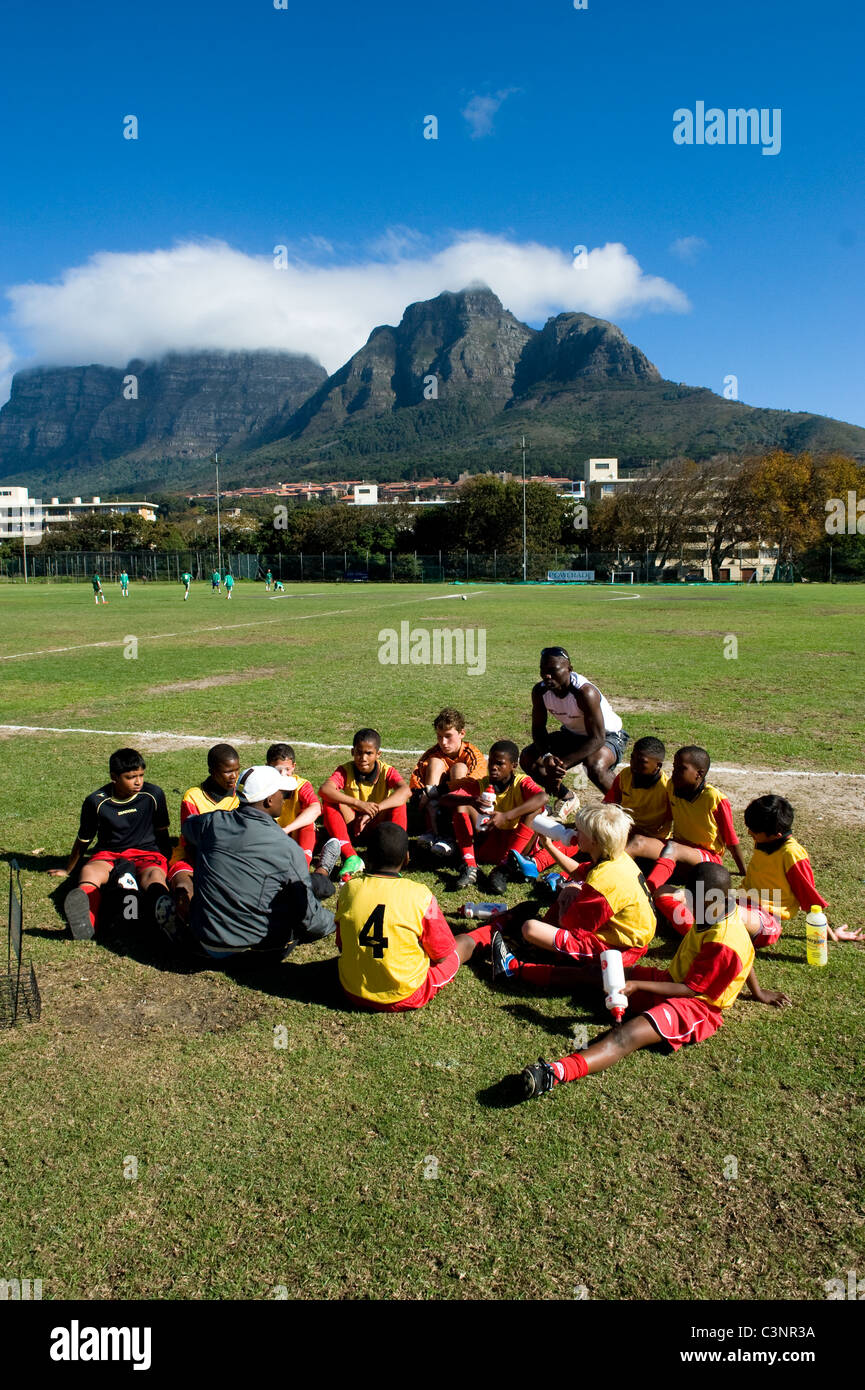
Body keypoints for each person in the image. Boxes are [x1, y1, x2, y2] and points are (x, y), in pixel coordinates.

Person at [511, 863, 791, 1100]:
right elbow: (748, 953)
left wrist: (638, 986)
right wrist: (758, 992)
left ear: (710, 898)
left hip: (696, 1006)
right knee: (597, 974)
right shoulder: (720, 909)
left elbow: (691, 989)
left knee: (627, 1035)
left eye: (691, 898)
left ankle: (555, 1073)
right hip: (671, 980)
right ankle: (516, 969)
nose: (686, 903)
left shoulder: (725, 940)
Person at [180, 765, 335, 963]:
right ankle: (323, 873)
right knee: (299, 895)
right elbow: (309, 918)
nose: (285, 799)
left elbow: (188, 826)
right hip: (256, 950)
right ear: (269, 800)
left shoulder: (212, 823)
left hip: (205, 940)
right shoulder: (286, 847)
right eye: (283, 794)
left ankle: (321, 875)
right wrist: (337, 922)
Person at [490, 804, 656, 986]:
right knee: (571, 891)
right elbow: (579, 872)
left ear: (594, 841)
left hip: (618, 949)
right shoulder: (616, 858)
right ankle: (539, 949)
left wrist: (563, 903)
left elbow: (570, 925)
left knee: (531, 929)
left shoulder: (604, 884)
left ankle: (517, 968)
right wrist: (549, 846)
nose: (575, 832)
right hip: (623, 934)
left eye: (580, 831)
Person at [335, 824, 480, 1011]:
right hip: (406, 994)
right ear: (407, 858)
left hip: (352, 990)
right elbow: (442, 955)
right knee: (466, 942)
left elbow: (342, 945)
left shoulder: (348, 889)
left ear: (367, 857)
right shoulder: (421, 895)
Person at [49, 749, 170, 939]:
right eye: (131, 777)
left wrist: (168, 860)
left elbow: (162, 832)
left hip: (146, 854)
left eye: (141, 775)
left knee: (154, 877)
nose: (138, 782)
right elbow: (84, 840)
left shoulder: (153, 794)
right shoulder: (96, 802)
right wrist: (68, 869)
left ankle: (165, 914)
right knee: (89, 872)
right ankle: (86, 922)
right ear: (114, 777)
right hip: (109, 855)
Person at [627, 747, 747, 919]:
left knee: (673, 849)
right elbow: (667, 818)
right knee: (638, 841)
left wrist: (743, 871)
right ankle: (608, 877)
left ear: (699, 774)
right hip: (677, 849)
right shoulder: (671, 787)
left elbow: (732, 841)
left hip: (707, 858)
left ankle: (647, 894)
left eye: (681, 769)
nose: (674, 772)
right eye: (674, 767)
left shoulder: (715, 799)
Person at [734, 795, 861, 946]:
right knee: (712, 908)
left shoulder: (791, 854)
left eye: (754, 831)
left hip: (765, 920)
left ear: (777, 835)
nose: (749, 833)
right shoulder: (765, 841)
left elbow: (808, 899)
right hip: (741, 903)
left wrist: (832, 935)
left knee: (727, 915)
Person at [520, 646, 627, 803]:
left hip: (607, 735)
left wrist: (561, 766)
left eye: (553, 670)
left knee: (595, 766)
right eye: (543, 670)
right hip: (573, 734)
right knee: (528, 758)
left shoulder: (585, 693)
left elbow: (598, 738)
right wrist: (547, 756)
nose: (547, 675)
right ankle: (567, 799)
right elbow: (538, 729)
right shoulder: (540, 692)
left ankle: (626, 808)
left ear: (569, 669)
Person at [451, 740, 546, 893]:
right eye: (491, 762)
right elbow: (446, 799)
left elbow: (543, 797)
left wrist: (506, 816)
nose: (493, 767)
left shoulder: (521, 782)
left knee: (535, 811)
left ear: (513, 766)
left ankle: (505, 867)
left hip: (516, 845)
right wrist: (471, 800)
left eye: (500, 764)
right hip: (489, 842)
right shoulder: (482, 783)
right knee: (462, 804)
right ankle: (470, 866)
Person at [319, 729, 410, 878]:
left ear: (378, 754)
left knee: (399, 803)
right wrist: (359, 804)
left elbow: (406, 791)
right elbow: (324, 790)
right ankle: (351, 856)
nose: (363, 758)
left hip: (378, 826)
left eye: (369, 753)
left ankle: (396, 852)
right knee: (329, 800)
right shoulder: (345, 770)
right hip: (353, 824)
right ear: (352, 752)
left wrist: (374, 810)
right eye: (359, 753)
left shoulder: (386, 771)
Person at [166, 743, 241, 919]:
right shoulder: (193, 797)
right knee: (186, 892)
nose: (234, 776)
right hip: (191, 859)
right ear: (212, 771)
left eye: (237, 770)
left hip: (229, 862)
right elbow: (191, 843)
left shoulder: (242, 796)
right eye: (227, 771)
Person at [410, 707, 487, 854]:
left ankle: (453, 834)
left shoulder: (472, 753)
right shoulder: (432, 754)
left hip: (468, 808)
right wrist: (421, 794)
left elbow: (474, 781)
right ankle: (433, 831)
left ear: (462, 733)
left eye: (448, 736)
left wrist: (440, 790)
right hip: (436, 804)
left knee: (459, 768)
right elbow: (416, 781)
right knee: (434, 763)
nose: (443, 742)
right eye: (439, 736)